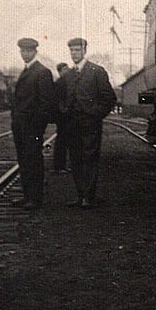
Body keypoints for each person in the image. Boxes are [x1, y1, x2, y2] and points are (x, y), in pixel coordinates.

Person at [65, 37, 117, 209]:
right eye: (72, 51)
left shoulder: (96, 71)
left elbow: (109, 98)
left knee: (89, 158)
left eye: (77, 50)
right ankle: (81, 195)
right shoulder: (69, 74)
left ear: (84, 51)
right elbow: (62, 98)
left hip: (90, 124)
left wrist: (95, 115)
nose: (74, 54)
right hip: (72, 125)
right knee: (75, 159)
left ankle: (88, 196)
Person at [10, 37, 55, 210]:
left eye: (28, 51)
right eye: (22, 51)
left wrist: (38, 126)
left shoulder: (42, 72)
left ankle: (35, 198)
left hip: (32, 127)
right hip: (21, 126)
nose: (25, 54)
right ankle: (27, 196)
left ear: (35, 52)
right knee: (24, 161)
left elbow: (46, 103)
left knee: (33, 161)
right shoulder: (27, 70)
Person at [52, 62, 74, 173]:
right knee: (62, 141)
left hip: (65, 116)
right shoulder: (59, 83)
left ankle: (62, 165)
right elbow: (58, 101)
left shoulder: (66, 82)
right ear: (60, 71)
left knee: (65, 141)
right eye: (65, 69)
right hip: (62, 117)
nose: (67, 70)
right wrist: (64, 111)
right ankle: (59, 166)